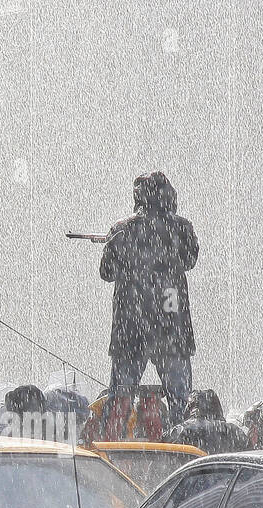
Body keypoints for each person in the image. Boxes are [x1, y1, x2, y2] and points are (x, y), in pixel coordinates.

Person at [100, 170, 200, 427]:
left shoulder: (122, 229)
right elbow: (190, 261)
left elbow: (106, 272)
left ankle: (114, 447)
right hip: (172, 326)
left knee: (121, 399)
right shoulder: (182, 227)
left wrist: (117, 247)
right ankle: (182, 441)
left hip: (130, 327)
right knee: (181, 400)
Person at [163, 389, 250, 454]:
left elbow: (157, 456)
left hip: (190, 476)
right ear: (217, 407)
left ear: (190, 407)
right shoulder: (234, 431)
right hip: (226, 476)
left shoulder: (178, 431)